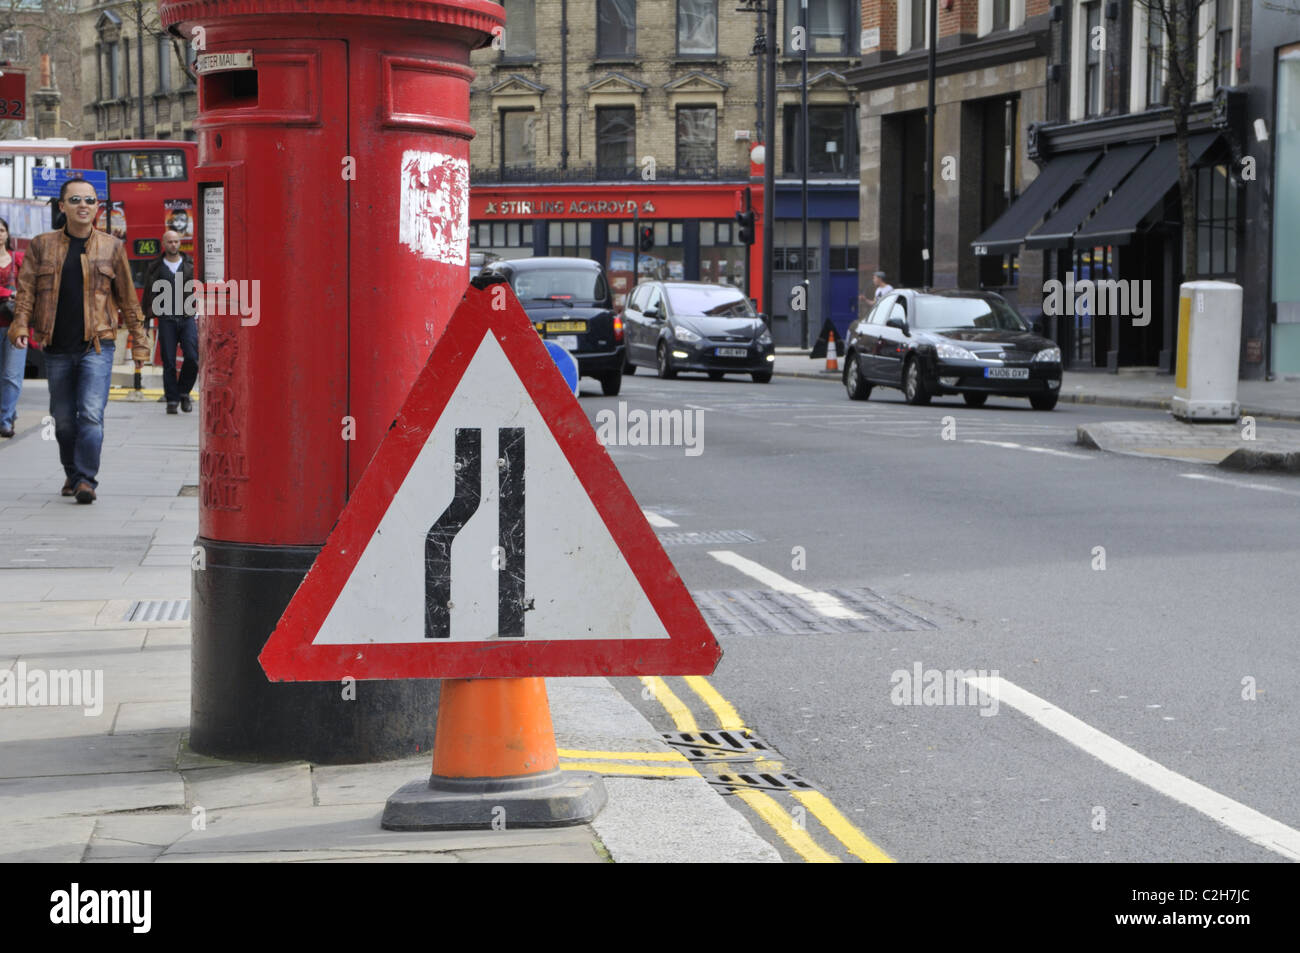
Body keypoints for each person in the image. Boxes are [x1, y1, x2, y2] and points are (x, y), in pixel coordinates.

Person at [7, 179, 152, 504]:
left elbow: (128, 299)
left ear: (97, 207)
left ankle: (86, 480)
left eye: (89, 200)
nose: (82, 205)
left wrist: (140, 344)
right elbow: (26, 291)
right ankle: (72, 474)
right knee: (62, 422)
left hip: (97, 347)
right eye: (75, 200)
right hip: (56, 347)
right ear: (62, 207)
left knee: (89, 414)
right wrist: (19, 325)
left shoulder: (112, 247)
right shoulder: (41, 245)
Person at [142, 230, 199, 413]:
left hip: (187, 317)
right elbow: (148, 294)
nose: (173, 245)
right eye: (170, 242)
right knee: (169, 362)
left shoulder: (191, 265)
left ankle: (183, 392)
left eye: (176, 241)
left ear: (180, 243)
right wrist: (146, 320)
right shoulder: (155, 267)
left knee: (192, 357)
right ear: (164, 244)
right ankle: (172, 400)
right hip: (166, 318)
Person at [0, 218, 26, 438]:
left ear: (7, 234)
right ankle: (8, 413)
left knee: (12, 375)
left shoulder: (18, 259)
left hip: (16, 324)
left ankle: (5, 420)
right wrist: (9, 293)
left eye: (1, 230)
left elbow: (29, 285)